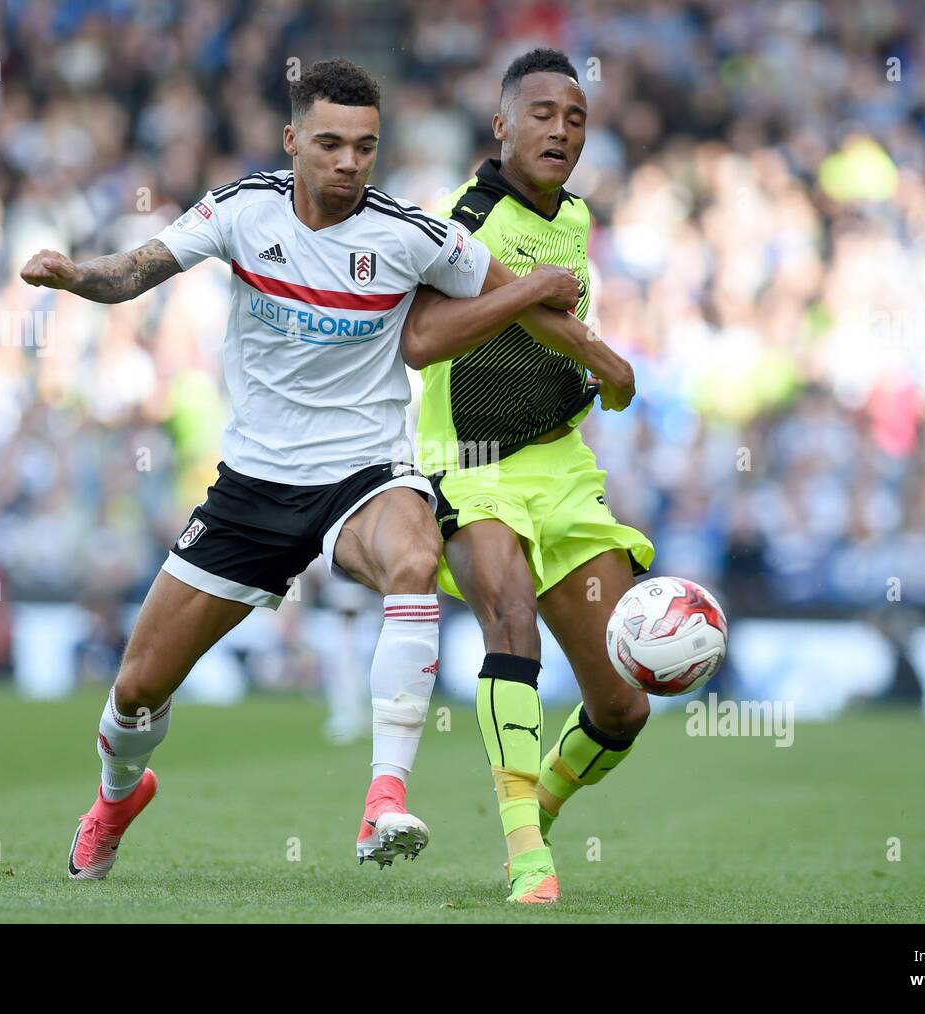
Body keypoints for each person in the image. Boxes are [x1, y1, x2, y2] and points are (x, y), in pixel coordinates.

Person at [19, 58, 617, 880]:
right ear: (293, 139)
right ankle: (117, 795)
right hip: (254, 486)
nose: (348, 164)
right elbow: (136, 271)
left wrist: (596, 354)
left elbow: (531, 303)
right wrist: (74, 277)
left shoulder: (411, 234)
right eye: (331, 144)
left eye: (365, 148)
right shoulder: (242, 210)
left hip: (364, 472)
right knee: (136, 690)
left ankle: (384, 801)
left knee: (415, 555)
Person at [404, 49, 654, 903]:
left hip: (560, 466)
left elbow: (547, 335)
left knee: (623, 709)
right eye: (542, 113)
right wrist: (578, 336)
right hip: (469, 467)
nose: (560, 130)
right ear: (502, 124)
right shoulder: (463, 221)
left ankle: (535, 805)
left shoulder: (577, 219)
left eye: (576, 118)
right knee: (512, 625)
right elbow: (422, 339)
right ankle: (527, 860)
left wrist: (588, 373)